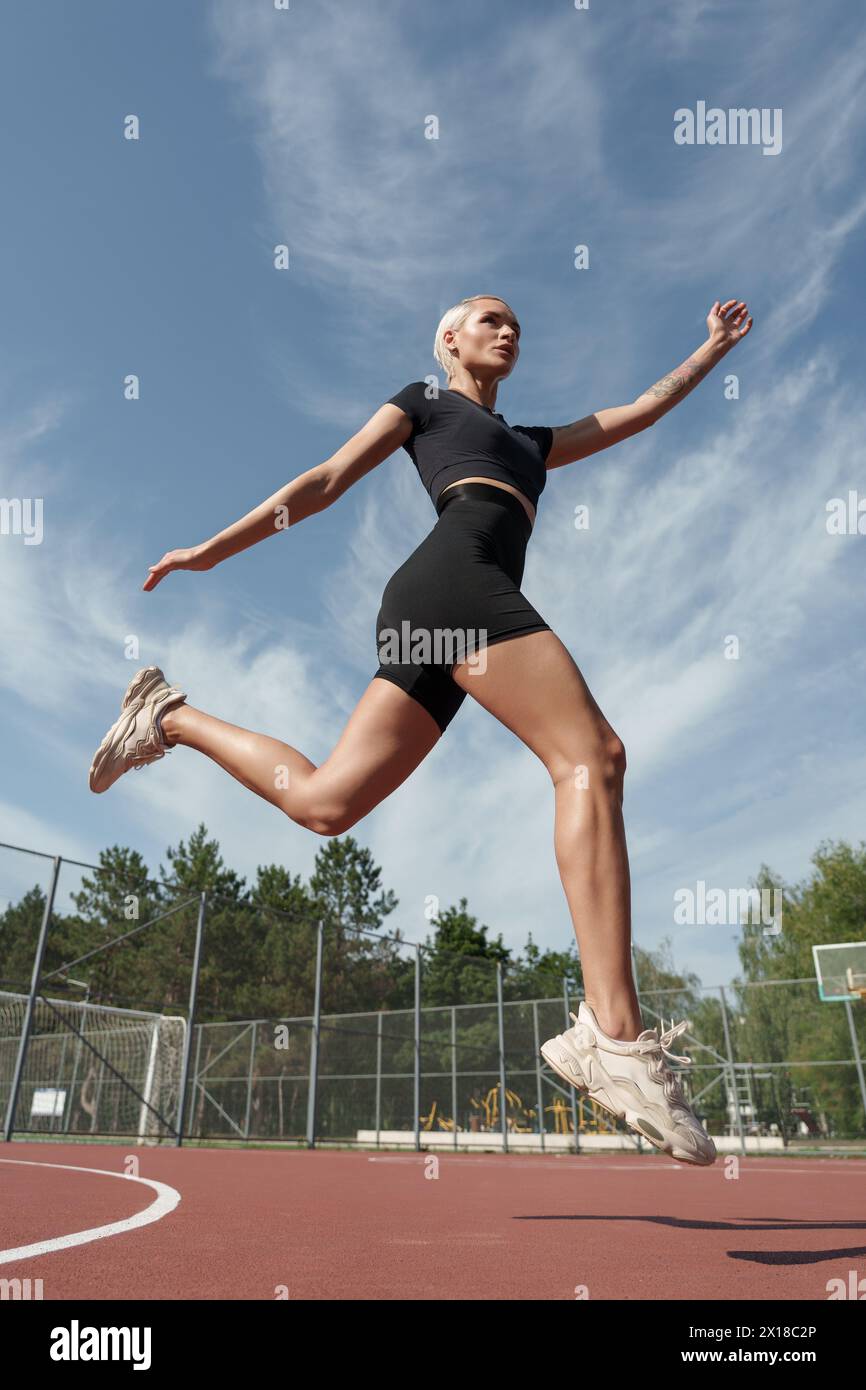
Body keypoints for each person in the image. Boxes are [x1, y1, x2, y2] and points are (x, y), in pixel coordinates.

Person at [88, 293, 753, 1165]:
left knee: (327, 804)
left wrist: (709, 349)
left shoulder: (533, 443)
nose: (509, 329)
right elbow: (324, 483)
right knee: (592, 757)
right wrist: (212, 549)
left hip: (435, 611)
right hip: (453, 583)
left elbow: (641, 410)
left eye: (517, 321)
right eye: (488, 319)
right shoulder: (423, 403)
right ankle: (615, 1036)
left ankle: (167, 717)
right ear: (448, 340)